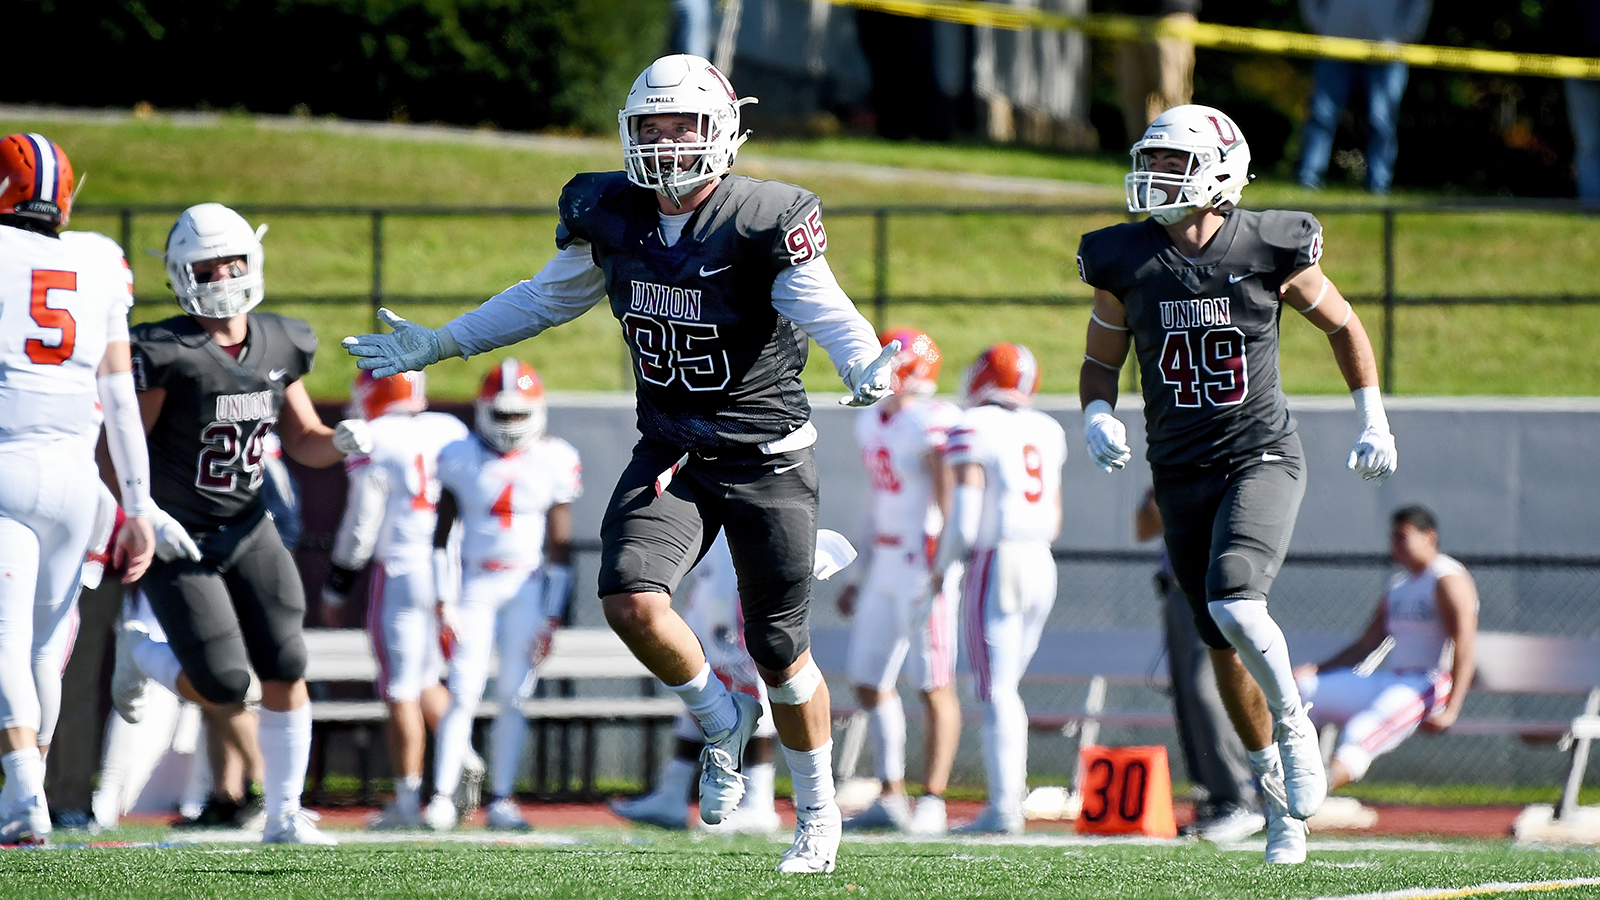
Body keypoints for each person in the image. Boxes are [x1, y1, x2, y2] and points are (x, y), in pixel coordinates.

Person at [342, 53, 899, 874]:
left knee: (781, 653)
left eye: (684, 126)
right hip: (673, 445)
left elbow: (824, 305)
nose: (666, 144)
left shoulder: (764, 219)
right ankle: (717, 718)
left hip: (765, 456)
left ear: (726, 132)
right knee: (631, 599)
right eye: (650, 126)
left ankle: (816, 816)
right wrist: (442, 341)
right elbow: (543, 298)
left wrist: (862, 361)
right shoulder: (607, 210)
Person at [1076, 104, 1400, 863]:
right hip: (1177, 470)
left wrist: (1373, 418)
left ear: (1219, 174)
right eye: (1149, 163)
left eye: (1171, 166)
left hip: (1258, 456)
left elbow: (1345, 326)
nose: (1153, 179)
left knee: (1235, 601)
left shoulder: (1269, 244)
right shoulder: (1122, 257)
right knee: (1222, 643)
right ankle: (1279, 809)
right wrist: (1096, 413)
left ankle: (1295, 730)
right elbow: (1101, 358)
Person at [117, 202, 373, 845]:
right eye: (208, 266)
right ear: (181, 274)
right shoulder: (162, 348)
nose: (224, 275)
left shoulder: (283, 339)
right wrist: (139, 511)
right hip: (181, 531)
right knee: (225, 683)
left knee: (286, 660)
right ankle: (137, 654)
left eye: (233, 261)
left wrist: (338, 442)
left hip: (248, 524)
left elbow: (305, 437)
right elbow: (119, 442)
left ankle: (284, 814)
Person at [0, 133, 157, 845]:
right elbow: (120, 398)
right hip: (75, 481)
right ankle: (21, 796)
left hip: (5, 463)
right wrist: (139, 503)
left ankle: (25, 797)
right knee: (40, 650)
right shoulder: (97, 261)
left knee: (8, 643)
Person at [422, 360, 579, 832]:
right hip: (474, 585)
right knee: (462, 692)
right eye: (502, 414)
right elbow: (441, 537)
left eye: (518, 414)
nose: (510, 425)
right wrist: (444, 602)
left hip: (527, 588)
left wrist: (552, 616)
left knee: (515, 696)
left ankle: (502, 798)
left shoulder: (555, 458)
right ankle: (443, 796)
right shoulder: (459, 454)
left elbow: (560, 548)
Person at [321, 369, 473, 829]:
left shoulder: (375, 436)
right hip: (451, 572)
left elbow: (362, 523)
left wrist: (337, 584)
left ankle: (407, 801)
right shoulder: (451, 430)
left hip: (402, 571)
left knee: (400, 688)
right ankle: (461, 754)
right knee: (426, 678)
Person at [931, 343, 1065, 834]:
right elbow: (1054, 514)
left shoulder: (973, 427)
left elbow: (964, 521)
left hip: (997, 560)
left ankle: (1006, 804)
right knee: (1007, 688)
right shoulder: (1047, 429)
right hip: (1041, 560)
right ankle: (1009, 800)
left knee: (997, 691)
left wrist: (941, 568)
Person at [837, 328, 962, 835]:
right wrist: (861, 570)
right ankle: (891, 793)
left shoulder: (931, 421)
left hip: (921, 562)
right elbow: (877, 503)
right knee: (868, 679)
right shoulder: (874, 420)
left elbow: (948, 501)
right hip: (885, 560)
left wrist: (944, 565)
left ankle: (932, 798)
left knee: (933, 682)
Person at [1293, 506, 1476, 791]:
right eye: (1393, 538)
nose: (1396, 546)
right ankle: (1281, 781)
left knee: (1360, 732)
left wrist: (1452, 709)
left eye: (1403, 537)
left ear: (1429, 536)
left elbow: (1465, 643)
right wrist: (1316, 670)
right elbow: (1367, 644)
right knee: (1304, 690)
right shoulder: (1399, 585)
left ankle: (1306, 796)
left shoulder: (1447, 578)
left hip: (1429, 682)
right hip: (1391, 679)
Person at [611, 531, 782, 835]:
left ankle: (759, 800)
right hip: (712, 582)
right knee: (701, 686)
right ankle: (673, 794)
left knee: (749, 686)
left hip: (738, 584)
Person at [1137, 488, 1263, 842]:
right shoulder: (1175, 459)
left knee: (1204, 688)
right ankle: (1212, 801)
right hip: (1176, 589)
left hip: (1210, 586)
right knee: (1187, 696)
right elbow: (1143, 526)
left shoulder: (1220, 460)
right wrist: (1161, 484)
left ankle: (1239, 797)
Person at [1295, 0, 1432, 194]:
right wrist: (1324, 28)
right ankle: (1308, 179)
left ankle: (1378, 185)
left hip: (1387, 52)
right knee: (1321, 115)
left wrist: (1403, 36)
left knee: (1381, 121)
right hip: (1335, 46)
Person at [1113, 0, 1199, 149]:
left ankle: (1179, 152)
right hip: (1130, 17)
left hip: (1171, 14)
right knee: (1132, 92)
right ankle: (1141, 154)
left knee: (1170, 92)